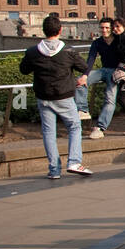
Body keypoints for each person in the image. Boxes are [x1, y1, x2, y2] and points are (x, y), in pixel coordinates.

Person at [19, 13, 92, 178]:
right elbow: (84, 67)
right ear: (60, 30)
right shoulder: (68, 51)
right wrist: (83, 77)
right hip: (64, 95)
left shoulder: (33, 52)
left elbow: (23, 70)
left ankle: (54, 170)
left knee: (48, 132)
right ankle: (74, 161)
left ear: (43, 31)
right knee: (74, 127)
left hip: (43, 96)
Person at [78, 17, 122, 139]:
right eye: (102, 27)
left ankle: (100, 127)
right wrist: (85, 75)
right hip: (104, 70)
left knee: (110, 99)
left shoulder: (119, 40)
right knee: (80, 81)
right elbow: (91, 59)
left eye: (107, 27)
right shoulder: (97, 42)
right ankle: (83, 110)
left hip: (116, 72)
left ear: (112, 28)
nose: (104, 30)